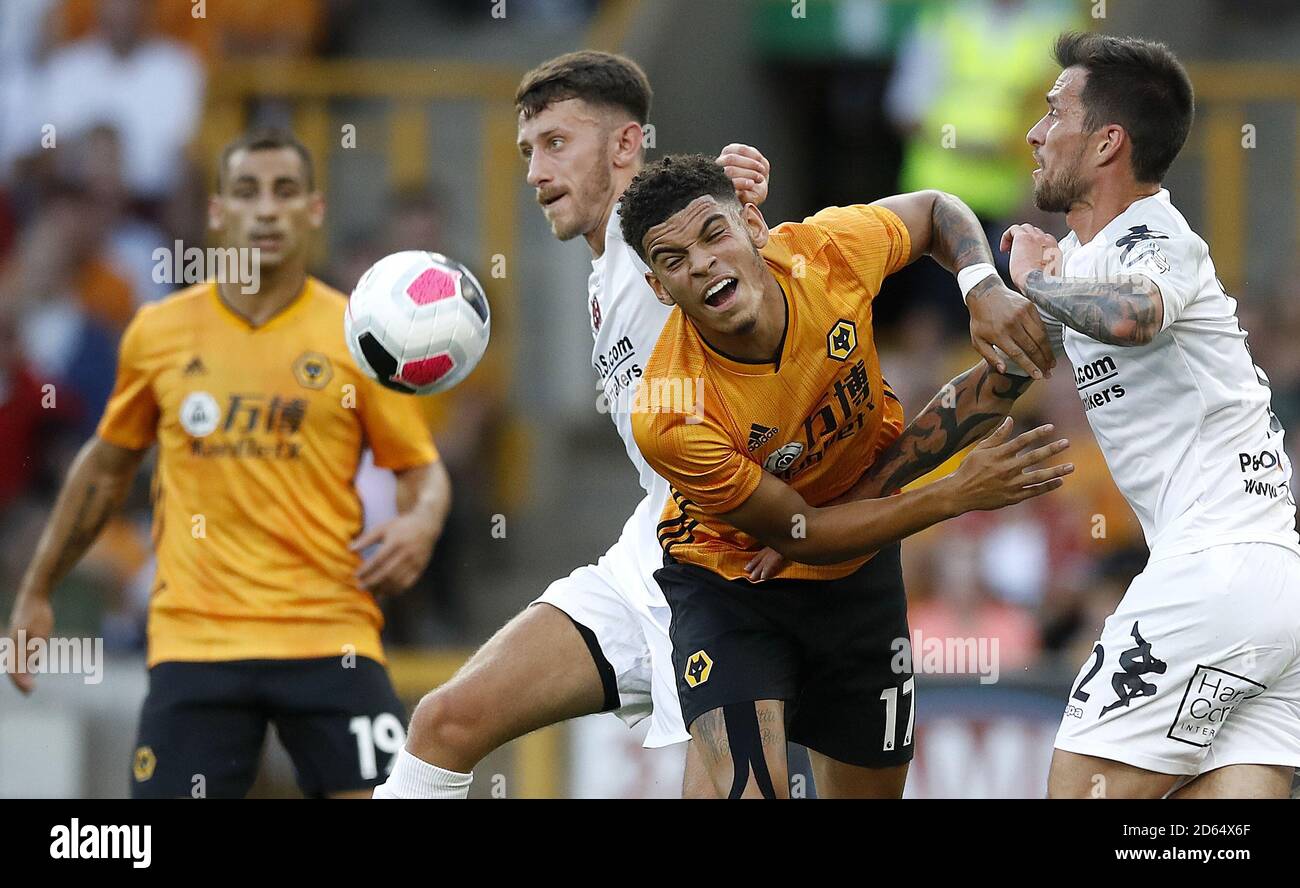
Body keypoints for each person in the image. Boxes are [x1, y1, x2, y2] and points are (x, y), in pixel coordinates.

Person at [375, 50, 1056, 800]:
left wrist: (983, 284)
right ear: (659, 278)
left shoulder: (740, 248)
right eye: (527, 151)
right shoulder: (626, 270)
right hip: (688, 544)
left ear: (629, 146)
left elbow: (749, 215)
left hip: (774, 553)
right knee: (445, 722)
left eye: (556, 143)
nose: (535, 171)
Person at [4, 129, 451, 798]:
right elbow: (105, 467)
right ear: (217, 213)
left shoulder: (357, 336)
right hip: (198, 645)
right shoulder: (159, 332)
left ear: (314, 210)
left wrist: (421, 525)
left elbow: (421, 468)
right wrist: (39, 589)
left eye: (284, 191)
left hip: (329, 636)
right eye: (246, 192)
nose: (266, 210)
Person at [621, 152, 1073, 798]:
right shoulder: (670, 413)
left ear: (753, 224)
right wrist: (956, 493)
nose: (699, 262)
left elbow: (935, 210)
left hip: (859, 573)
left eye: (713, 233)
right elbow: (801, 535)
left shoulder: (826, 254)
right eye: (672, 259)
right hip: (734, 584)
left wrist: (982, 285)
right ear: (660, 288)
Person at [1000, 32, 1300, 799]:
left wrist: (1033, 281)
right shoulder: (1081, 260)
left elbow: (1135, 316)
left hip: (1212, 569)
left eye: (1052, 111)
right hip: (1266, 583)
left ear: (1107, 141)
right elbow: (999, 376)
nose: (1035, 133)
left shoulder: (1156, 235)